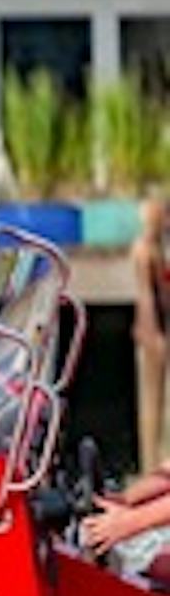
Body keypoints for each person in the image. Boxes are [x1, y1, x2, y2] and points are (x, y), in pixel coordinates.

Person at [134, 198, 170, 467]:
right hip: (153, 333)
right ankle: (152, 465)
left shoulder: (156, 249)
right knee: (152, 403)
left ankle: (155, 462)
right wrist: (153, 334)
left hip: (156, 329)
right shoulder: (146, 250)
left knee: (157, 403)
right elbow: (147, 297)